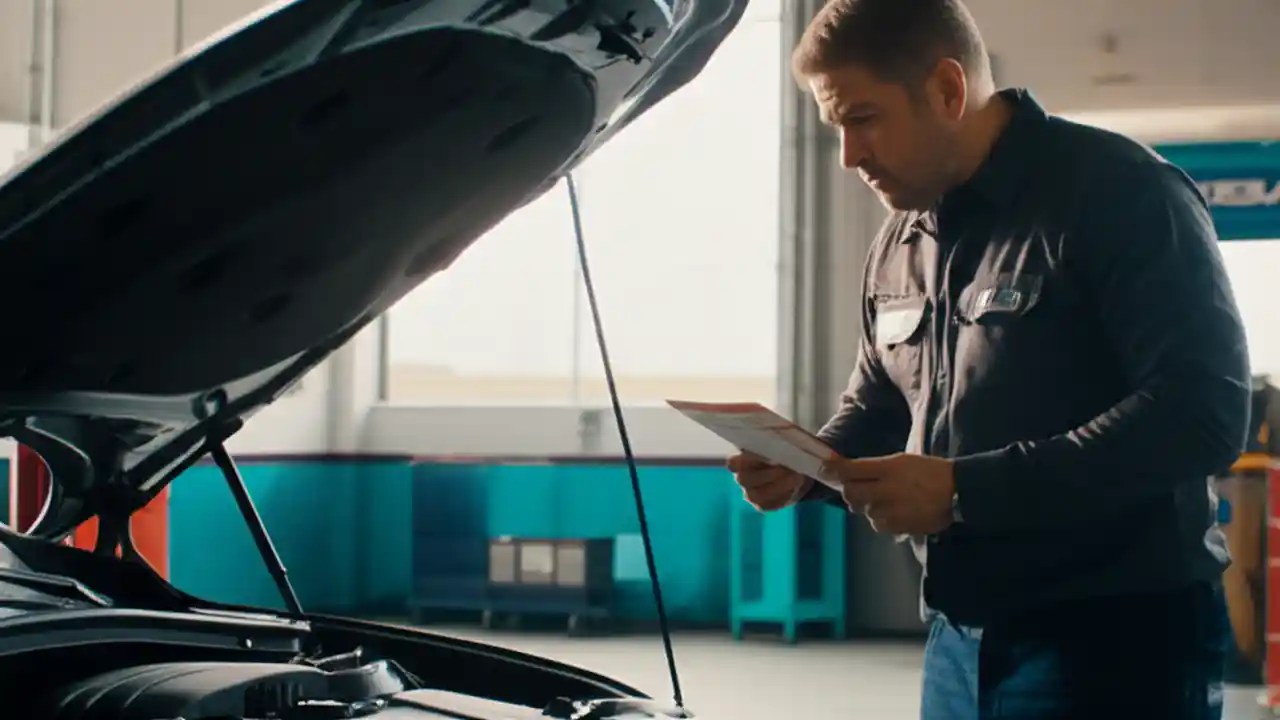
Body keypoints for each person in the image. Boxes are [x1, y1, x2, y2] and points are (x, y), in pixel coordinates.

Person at [726, 0, 1251, 717]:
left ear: (947, 89)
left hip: (1115, 639)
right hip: (957, 636)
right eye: (835, 127)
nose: (849, 155)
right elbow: (880, 405)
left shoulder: (1119, 192)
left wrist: (964, 490)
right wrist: (809, 465)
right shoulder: (901, 241)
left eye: (863, 118)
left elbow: (1200, 413)